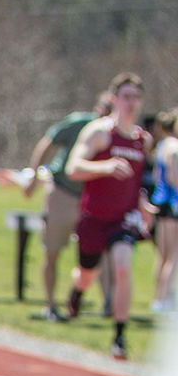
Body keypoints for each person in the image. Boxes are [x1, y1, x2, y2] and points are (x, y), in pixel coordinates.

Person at [64, 73, 154, 360]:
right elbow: (73, 167)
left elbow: (136, 180)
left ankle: (119, 336)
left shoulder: (143, 140)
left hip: (123, 219)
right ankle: (77, 291)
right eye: (126, 96)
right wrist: (105, 167)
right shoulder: (99, 132)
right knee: (87, 275)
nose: (132, 103)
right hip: (93, 217)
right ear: (114, 99)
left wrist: (142, 203)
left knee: (123, 265)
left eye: (136, 97)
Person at [22, 92, 114, 322]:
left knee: (98, 253)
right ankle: (51, 306)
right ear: (97, 106)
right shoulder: (79, 122)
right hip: (62, 192)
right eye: (105, 107)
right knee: (52, 251)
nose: (107, 113)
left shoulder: (114, 135)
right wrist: (33, 176)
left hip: (90, 200)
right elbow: (47, 142)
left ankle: (108, 305)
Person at [149, 110, 177, 313]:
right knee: (173, 256)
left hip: (161, 203)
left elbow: (156, 175)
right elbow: (174, 178)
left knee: (163, 255)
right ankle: (164, 300)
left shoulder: (162, 145)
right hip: (173, 204)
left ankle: (158, 298)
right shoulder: (174, 147)